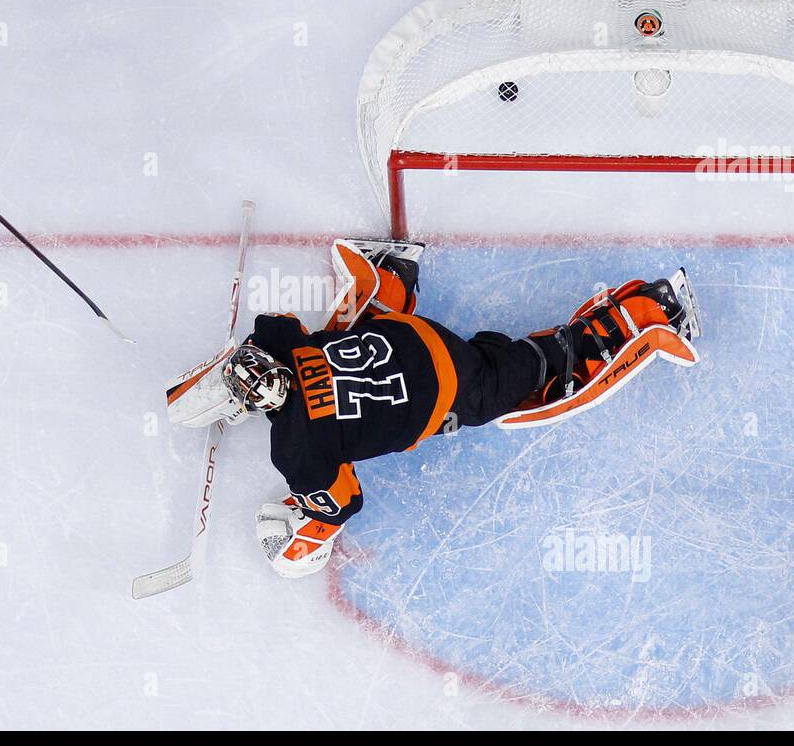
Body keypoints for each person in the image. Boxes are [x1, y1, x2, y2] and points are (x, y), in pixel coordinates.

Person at [169, 240, 701, 579]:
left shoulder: (297, 453)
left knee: (532, 369)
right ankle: (390, 280)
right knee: (336, 337)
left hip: (451, 386)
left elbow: (343, 504)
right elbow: (278, 323)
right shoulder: (281, 344)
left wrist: (300, 527)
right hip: (412, 337)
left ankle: (653, 310)